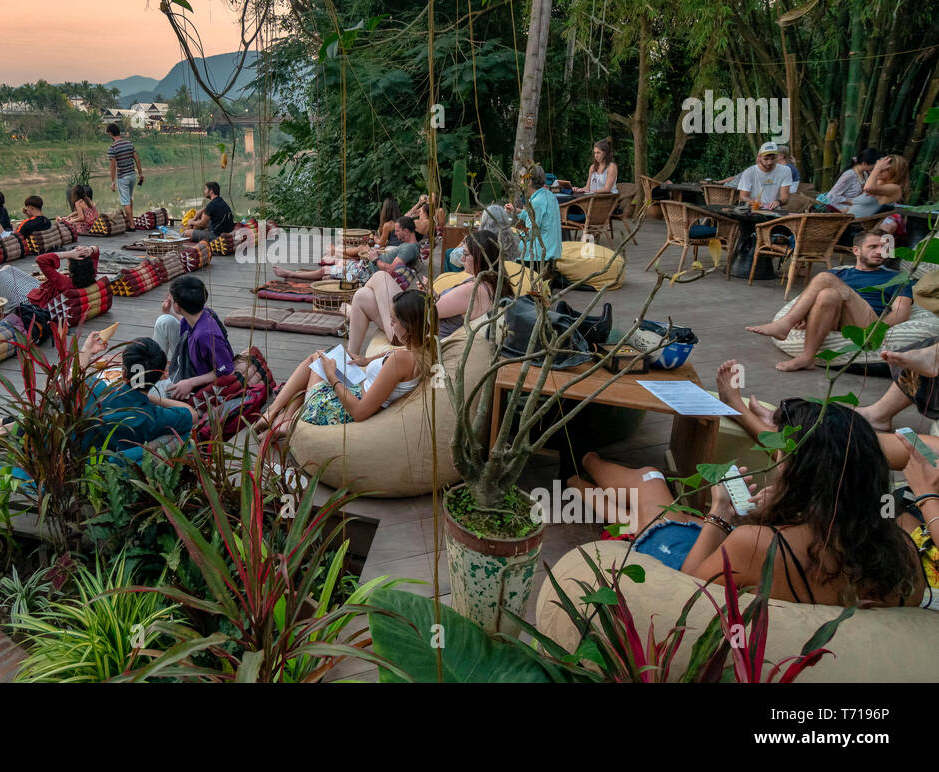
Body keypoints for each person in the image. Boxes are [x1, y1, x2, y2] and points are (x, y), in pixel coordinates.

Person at [572, 364, 930, 607]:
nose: (777, 462)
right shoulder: (901, 553)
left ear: (804, 473)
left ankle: (582, 465)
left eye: (783, 457)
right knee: (651, 509)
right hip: (752, 566)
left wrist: (721, 513)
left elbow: (688, 591)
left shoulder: (758, 544)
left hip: (681, 564)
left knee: (650, 483)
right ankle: (586, 484)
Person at [0, 336, 197, 463]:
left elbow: (65, 384)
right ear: (161, 375)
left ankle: (0, 426)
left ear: (124, 373)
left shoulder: (98, 388)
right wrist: (152, 398)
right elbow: (192, 414)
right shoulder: (152, 416)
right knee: (181, 433)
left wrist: (86, 351)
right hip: (88, 460)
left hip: (48, 443)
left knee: (52, 408)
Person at [253, 289, 432, 440]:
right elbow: (394, 357)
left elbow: (359, 412)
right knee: (321, 359)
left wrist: (332, 376)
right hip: (357, 393)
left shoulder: (400, 361)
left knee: (316, 359)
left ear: (408, 326)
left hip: (337, 411)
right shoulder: (423, 348)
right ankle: (283, 419)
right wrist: (366, 360)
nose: (390, 325)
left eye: (393, 321)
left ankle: (277, 415)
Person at [745, 229, 913, 371]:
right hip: (834, 319)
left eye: (884, 247)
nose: (879, 251)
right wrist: (805, 316)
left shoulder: (897, 277)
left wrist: (878, 329)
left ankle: (784, 324)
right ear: (856, 250)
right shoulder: (839, 274)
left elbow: (901, 312)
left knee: (824, 277)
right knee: (828, 294)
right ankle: (807, 357)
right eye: (873, 247)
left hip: (866, 321)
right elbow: (812, 298)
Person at [344, 230, 506, 355]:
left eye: (466, 255)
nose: (462, 259)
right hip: (419, 328)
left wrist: (427, 297)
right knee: (362, 296)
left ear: (480, 258)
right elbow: (444, 309)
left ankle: (351, 321)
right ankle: (352, 355)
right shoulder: (488, 285)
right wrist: (433, 294)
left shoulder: (473, 290)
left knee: (380, 276)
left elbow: (426, 312)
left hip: (411, 335)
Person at [151, 274, 235, 400]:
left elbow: (227, 371)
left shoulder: (206, 335)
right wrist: (169, 311)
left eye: (172, 300)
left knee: (147, 393)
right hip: (190, 358)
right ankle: (155, 370)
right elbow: (183, 317)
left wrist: (190, 383)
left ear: (178, 306)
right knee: (165, 320)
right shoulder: (202, 312)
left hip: (195, 379)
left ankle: (165, 381)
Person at [273, 216, 421, 283]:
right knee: (336, 266)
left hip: (366, 272)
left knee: (324, 271)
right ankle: (297, 275)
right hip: (365, 268)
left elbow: (390, 270)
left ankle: (289, 273)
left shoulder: (408, 248)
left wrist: (375, 259)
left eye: (397, 231)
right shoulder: (410, 247)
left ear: (406, 231)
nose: (395, 234)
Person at [0, 246, 97, 303]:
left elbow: (41, 260)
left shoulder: (64, 282)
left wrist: (68, 253)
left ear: (72, 262)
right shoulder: (91, 275)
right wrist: (90, 250)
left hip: (32, 302)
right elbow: (97, 251)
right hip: (41, 292)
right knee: (8, 268)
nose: (76, 249)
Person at [505, 164, 561, 274]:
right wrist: (517, 211)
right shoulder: (549, 195)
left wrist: (515, 235)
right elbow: (538, 220)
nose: (520, 183)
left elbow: (531, 233)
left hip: (541, 252)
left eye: (522, 179)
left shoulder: (536, 202)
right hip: (552, 247)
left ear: (529, 181)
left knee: (506, 244)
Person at [328, 197, 401, 258]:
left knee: (362, 247)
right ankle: (338, 251)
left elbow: (380, 244)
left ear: (386, 210)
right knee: (364, 248)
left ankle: (336, 251)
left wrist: (375, 238)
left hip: (391, 252)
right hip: (397, 250)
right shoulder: (401, 222)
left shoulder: (388, 225)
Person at [843, 153, 908, 219]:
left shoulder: (895, 188)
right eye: (881, 168)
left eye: (887, 169)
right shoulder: (878, 184)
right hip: (847, 221)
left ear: (896, 172)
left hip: (858, 226)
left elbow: (868, 188)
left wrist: (877, 167)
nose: (881, 170)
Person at [736, 142, 792, 210]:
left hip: (774, 210)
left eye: (773, 158)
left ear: (777, 157)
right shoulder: (749, 172)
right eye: (766, 159)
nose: (769, 162)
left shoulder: (785, 170)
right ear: (759, 157)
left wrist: (779, 202)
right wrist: (755, 203)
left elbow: (785, 197)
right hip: (753, 209)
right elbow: (742, 197)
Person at [107, 123, 144, 226]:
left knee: (125, 201)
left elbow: (113, 166)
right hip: (132, 175)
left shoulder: (112, 147)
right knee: (129, 198)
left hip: (123, 177)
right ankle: (129, 220)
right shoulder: (129, 144)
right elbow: (137, 159)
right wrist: (141, 174)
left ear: (110, 133)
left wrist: (112, 181)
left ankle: (132, 225)